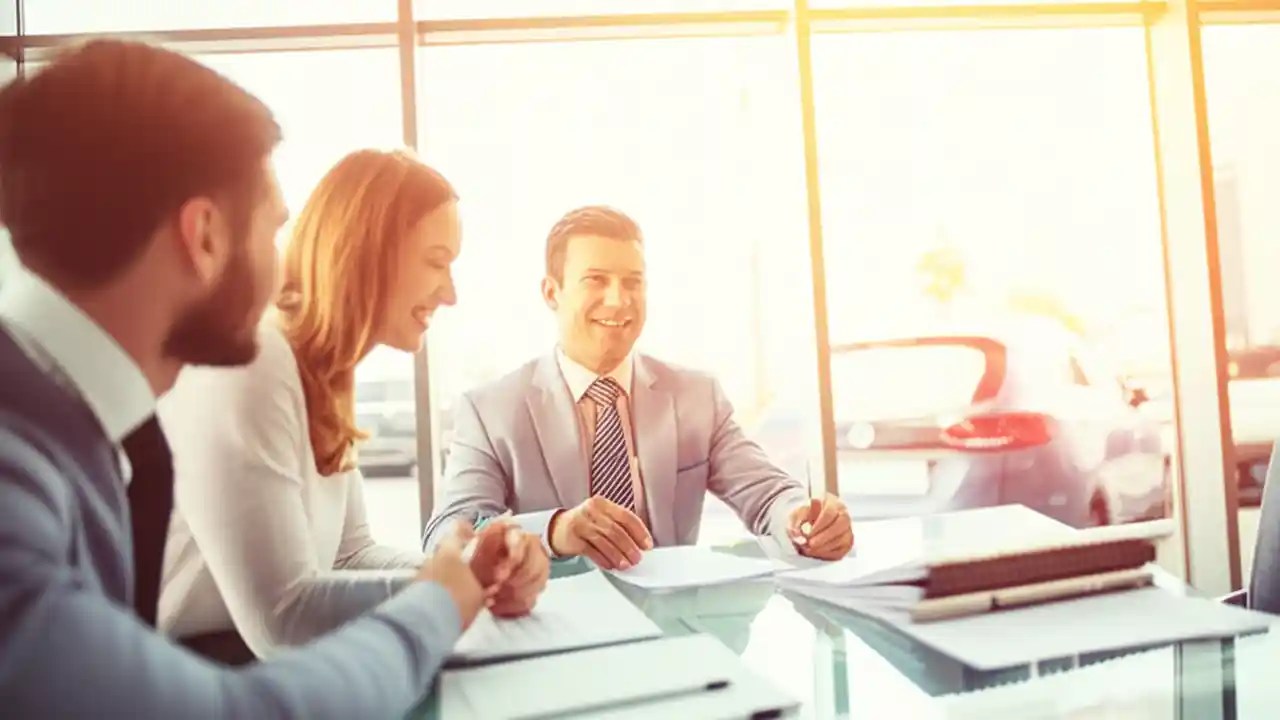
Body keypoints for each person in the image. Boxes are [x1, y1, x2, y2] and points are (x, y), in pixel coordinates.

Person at [0, 39, 507, 718]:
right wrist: (439, 601)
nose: (283, 269)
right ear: (204, 236)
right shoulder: (19, 465)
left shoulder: (73, 431)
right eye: (272, 231)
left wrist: (457, 577)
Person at [158, 149, 549, 663]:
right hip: (202, 675)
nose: (450, 294)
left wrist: (475, 568)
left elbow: (350, 555)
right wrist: (454, 588)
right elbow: (281, 618)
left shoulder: (323, 373)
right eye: (436, 261)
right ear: (368, 250)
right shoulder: (254, 360)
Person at [422, 206, 855, 568]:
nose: (618, 300)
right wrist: (553, 531)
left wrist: (800, 519)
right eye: (596, 280)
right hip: (552, 633)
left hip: (672, 630)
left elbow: (767, 493)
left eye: (633, 281)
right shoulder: (490, 410)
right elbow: (448, 536)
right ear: (552, 292)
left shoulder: (696, 397)